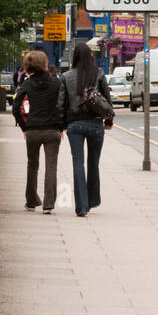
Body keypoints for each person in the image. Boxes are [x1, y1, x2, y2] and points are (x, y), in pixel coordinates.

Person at [58, 43, 112, 218]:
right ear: (90, 56)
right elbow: (107, 101)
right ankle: (93, 200)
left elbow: (61, 104)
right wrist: (109, 121)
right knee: (93, 163)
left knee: (77, 163)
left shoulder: (66, 76)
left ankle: (81, 206)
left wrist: (62, 126)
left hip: (75, 125)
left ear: (74, 57)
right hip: (96, 125)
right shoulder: (99, 74)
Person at [11, 51, 65, 214]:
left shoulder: (27, 84)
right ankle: (48, 204)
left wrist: (24, 126)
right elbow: (63, 105)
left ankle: (32, 200)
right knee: (51, 166)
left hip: (33, 129)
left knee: (32, 165)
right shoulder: (56, 83)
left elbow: (15, 107)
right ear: (44, 63)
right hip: (52, 130)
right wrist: (61, 126)